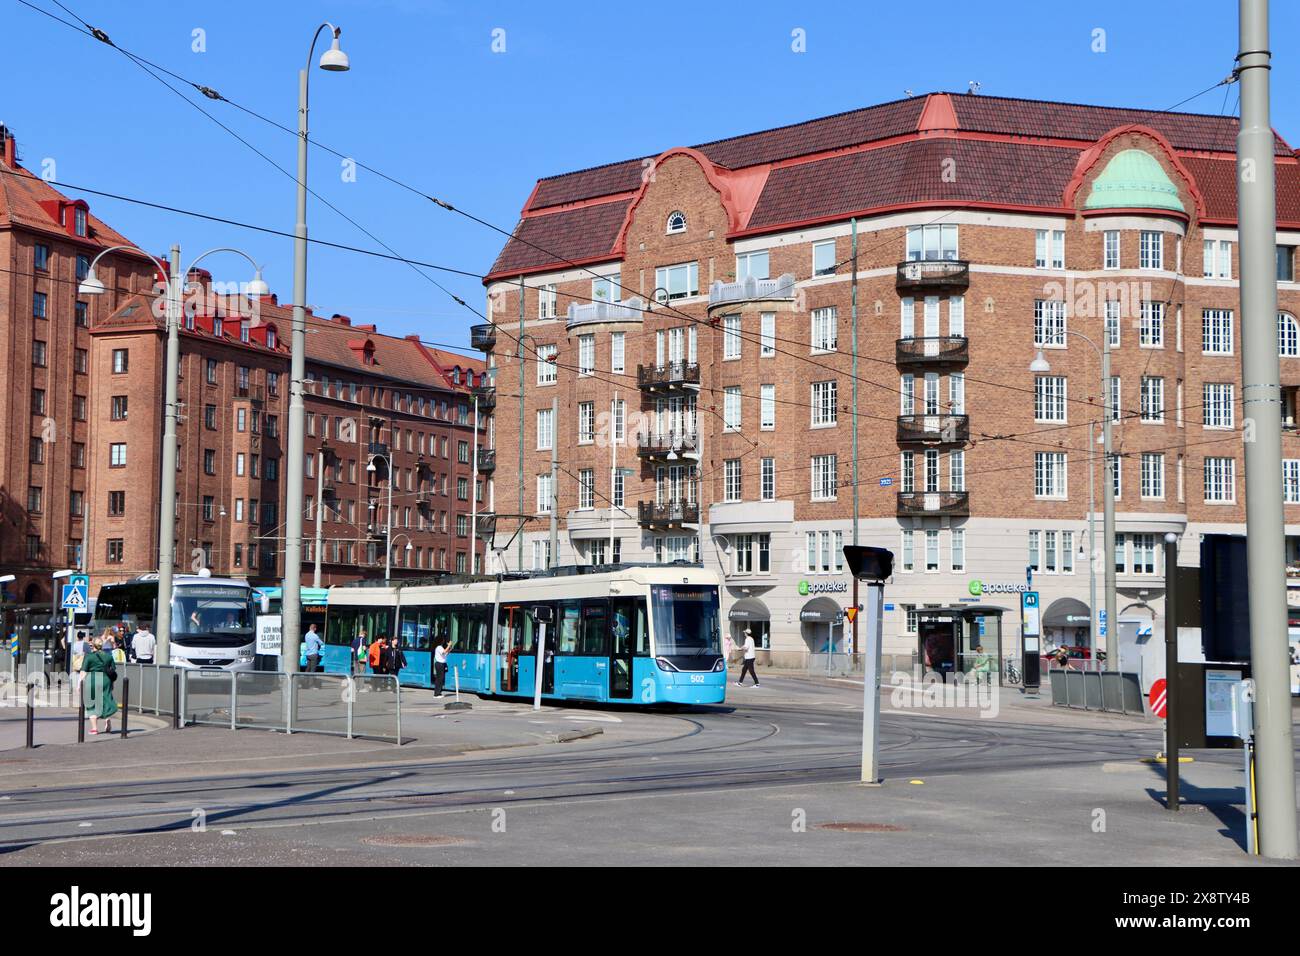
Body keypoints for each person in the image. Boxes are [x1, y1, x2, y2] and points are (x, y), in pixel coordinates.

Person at [81, 636, 118, 735]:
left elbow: (83, 672)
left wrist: (79, 684)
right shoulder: (108, 656)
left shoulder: (89, 656)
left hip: (93, 679)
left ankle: (94, 728)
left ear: (93, 645)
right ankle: (107, 720)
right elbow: (113, 669)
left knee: (92, 703)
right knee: (105, 699)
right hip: (106, 679)